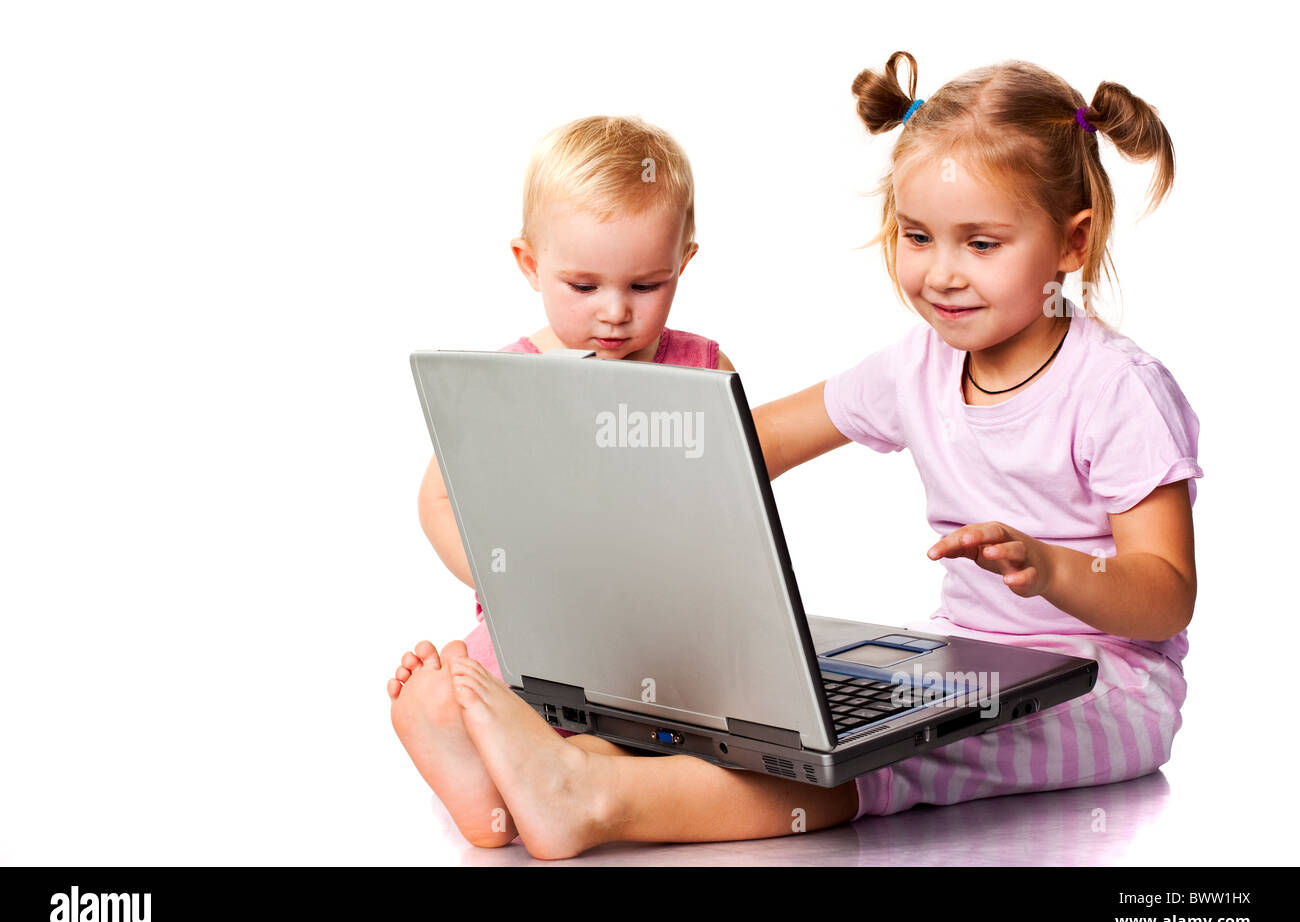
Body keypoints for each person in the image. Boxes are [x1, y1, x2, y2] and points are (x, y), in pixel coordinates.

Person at [389, 52, 1201, 861]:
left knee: (878, 762)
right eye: (918, 236)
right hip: (956, 655)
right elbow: (756, 443)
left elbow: (1166, 599)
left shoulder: (1115, 389)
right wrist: (617, 472)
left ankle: (596, 801)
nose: (942, 274)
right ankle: (545, 775)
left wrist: (1053, 570)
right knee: (778, 713)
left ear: (1072, 242)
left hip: (1103, 683)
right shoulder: (917, 364)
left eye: (981, 244)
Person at [390, 114, 735, 847]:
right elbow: (436, 499)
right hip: (530, 638)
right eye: (581, 285)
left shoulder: (703, 370)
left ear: (686, 260)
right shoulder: (510, 380)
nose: (614, 312)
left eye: (647, 283)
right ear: (528, 263)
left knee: (640, 739)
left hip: (657, 639)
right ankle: (467, 744)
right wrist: (500, 572)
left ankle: (510, 790)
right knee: (522, 694)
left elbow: (739, 503)